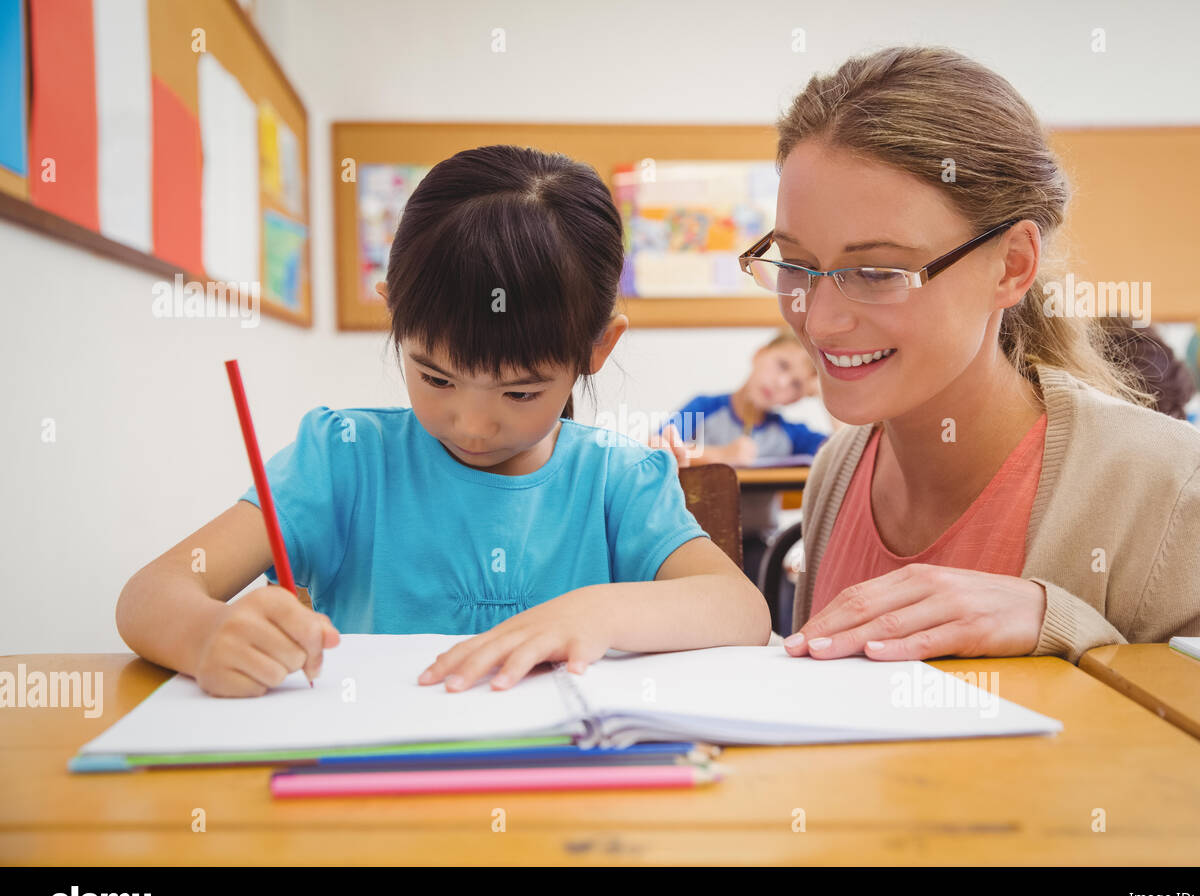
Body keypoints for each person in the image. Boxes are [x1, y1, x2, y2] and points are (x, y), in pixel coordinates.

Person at [115, 145, 770, 698]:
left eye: (519, 392)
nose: (473, 425)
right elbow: (151, 594)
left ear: (596, 350)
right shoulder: (344, 460)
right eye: (436, 378)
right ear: (393, 315)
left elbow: (742, 610)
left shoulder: (617, 480)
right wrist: (207, 637)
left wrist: (592, 611)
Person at [733, 46, 1200, 664]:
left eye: (878, 271)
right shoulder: (839, 469)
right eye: (797, 265)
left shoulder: (1174, 489)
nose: (820, 319)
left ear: (1012, 266)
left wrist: (1059, 625)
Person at [655, 331, 828, 580]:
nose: (781, 383)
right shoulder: (704, 408)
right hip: (694, 538)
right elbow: (658, 447)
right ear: (759, 354)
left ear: (799, 398)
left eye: (796, 385)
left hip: (756, 545)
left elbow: (845, 450)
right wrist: (720, 454)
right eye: (782, 365)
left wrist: (826, 392)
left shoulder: (789, 433)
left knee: (770, 580)